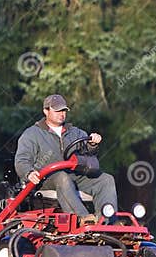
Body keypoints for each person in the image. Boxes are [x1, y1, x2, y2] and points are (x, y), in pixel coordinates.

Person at [14, 94, 118, 223]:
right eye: (57, 110)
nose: (61, 114)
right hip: (45, 179)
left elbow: (88, 155)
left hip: (74, 176)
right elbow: (21, 160)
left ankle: (106, 221)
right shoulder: (32, 134)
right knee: (62, 176)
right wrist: (28, 173)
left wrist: (92, 145)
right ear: (46, 111)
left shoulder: (76, 133)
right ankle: (83, 219)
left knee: (106, 179)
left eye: (63, 110)